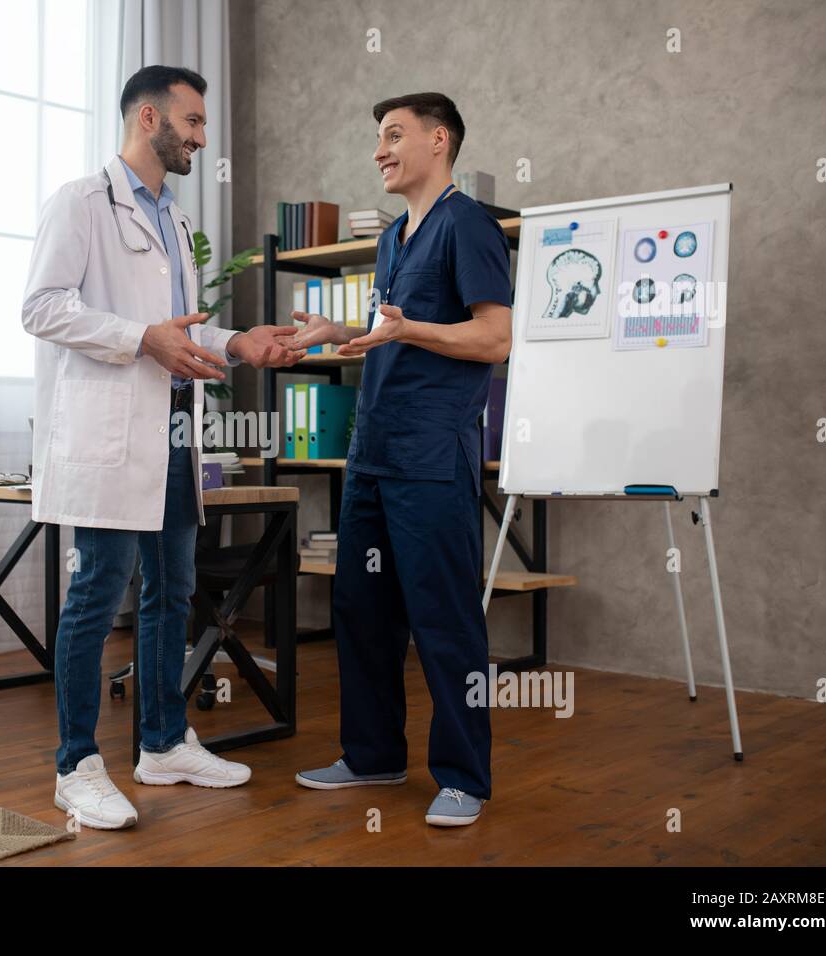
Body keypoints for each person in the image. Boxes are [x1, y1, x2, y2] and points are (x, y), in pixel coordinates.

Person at [22, 65, 303, 830]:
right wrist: (137, 339)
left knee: (171, 591)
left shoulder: (175, 222)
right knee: (96, 594)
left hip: (174, 434)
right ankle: (75, 764)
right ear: (150, 119)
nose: (202, 137)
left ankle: (163, 742)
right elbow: (42, 308)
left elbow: (179, 332)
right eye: (194, 122)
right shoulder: (79, 204)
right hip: (108, 436)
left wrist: (237, 341)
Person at [289, 92, 513, 827]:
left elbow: (494, 339)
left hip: (430, 457)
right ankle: (373, 755)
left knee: (443, 618)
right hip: (373, 455)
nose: (379, 150)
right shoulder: (392, 239)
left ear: (438, 140)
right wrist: (339, 330)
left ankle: (463, 777)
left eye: (394, 136)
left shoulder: (469, 226)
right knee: (362, 610)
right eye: (377, 139)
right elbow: (396, 329)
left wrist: (411, 329)